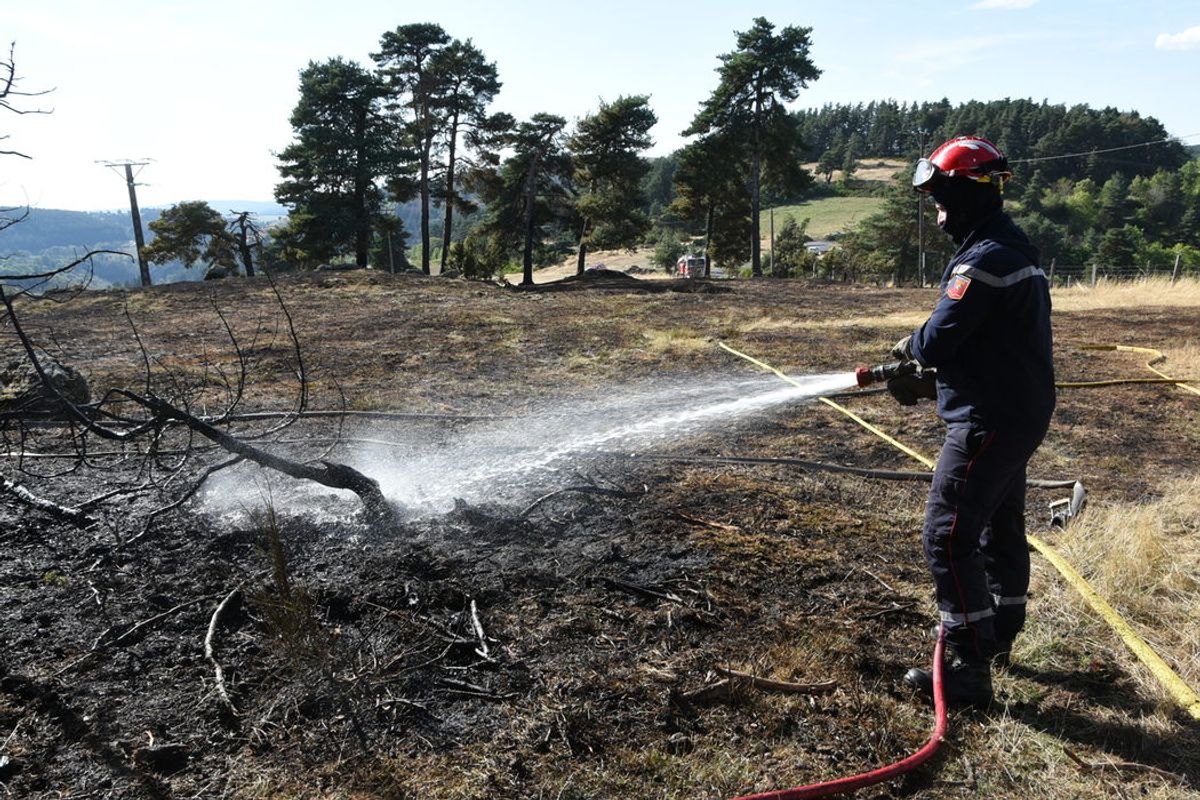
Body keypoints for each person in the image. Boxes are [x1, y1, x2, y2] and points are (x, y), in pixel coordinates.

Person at [887, 135, 1055, 707]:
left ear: (966, 192)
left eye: (940, 194)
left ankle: (966, 666)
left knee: (948, 532)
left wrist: (911, 349)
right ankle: (999, 633)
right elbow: (985, 340)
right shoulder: (1009, 246)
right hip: (1016, 410)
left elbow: (939, 336)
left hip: (989, 418)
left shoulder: (982, 260)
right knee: (997, 525)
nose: (935, 208)